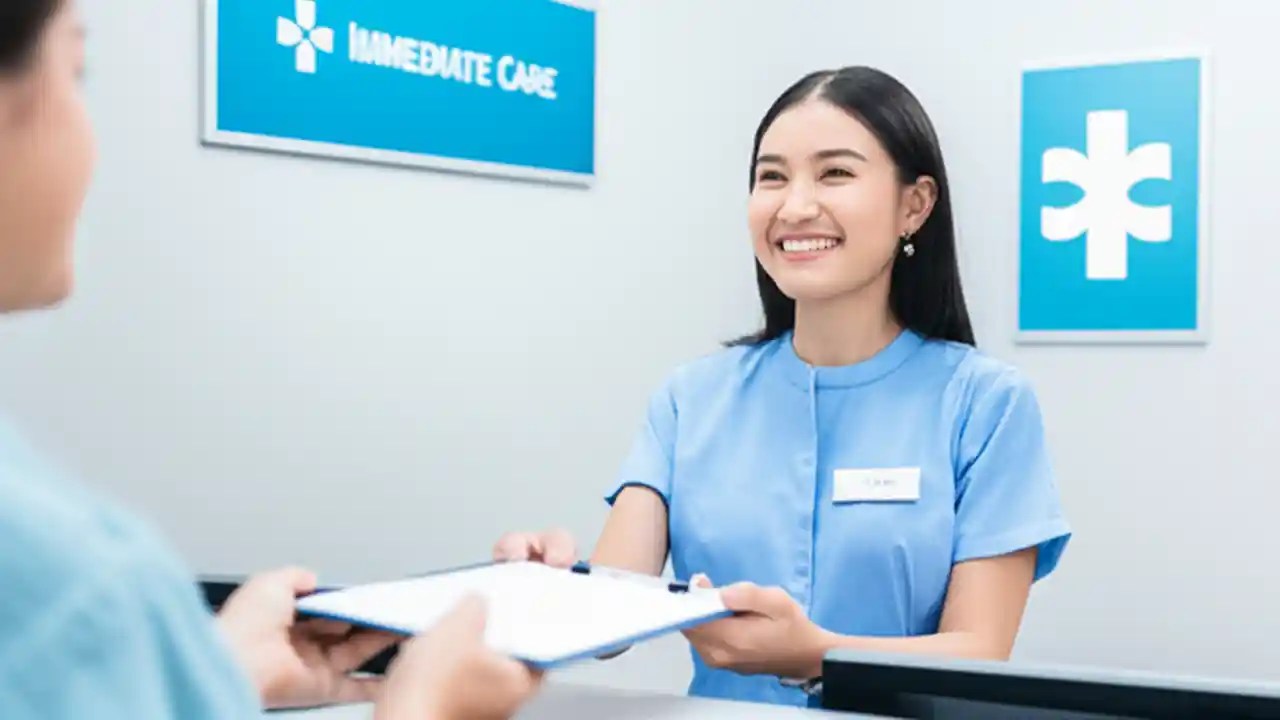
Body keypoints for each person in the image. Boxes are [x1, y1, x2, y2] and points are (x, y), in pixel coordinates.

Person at [0, 2, 541, 718]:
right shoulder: (74, 594)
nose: (91, 134)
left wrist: (216, 675)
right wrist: (424, 709)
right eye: (78, 71)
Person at [494, 65, 1072, 708]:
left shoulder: (985, 404)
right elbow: (610, 612)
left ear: (915, 205)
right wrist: (548, 585)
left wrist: (817, 654)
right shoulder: (691, 400)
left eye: (835, 173)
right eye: (772, 176)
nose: (795, 206)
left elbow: (980, 651)